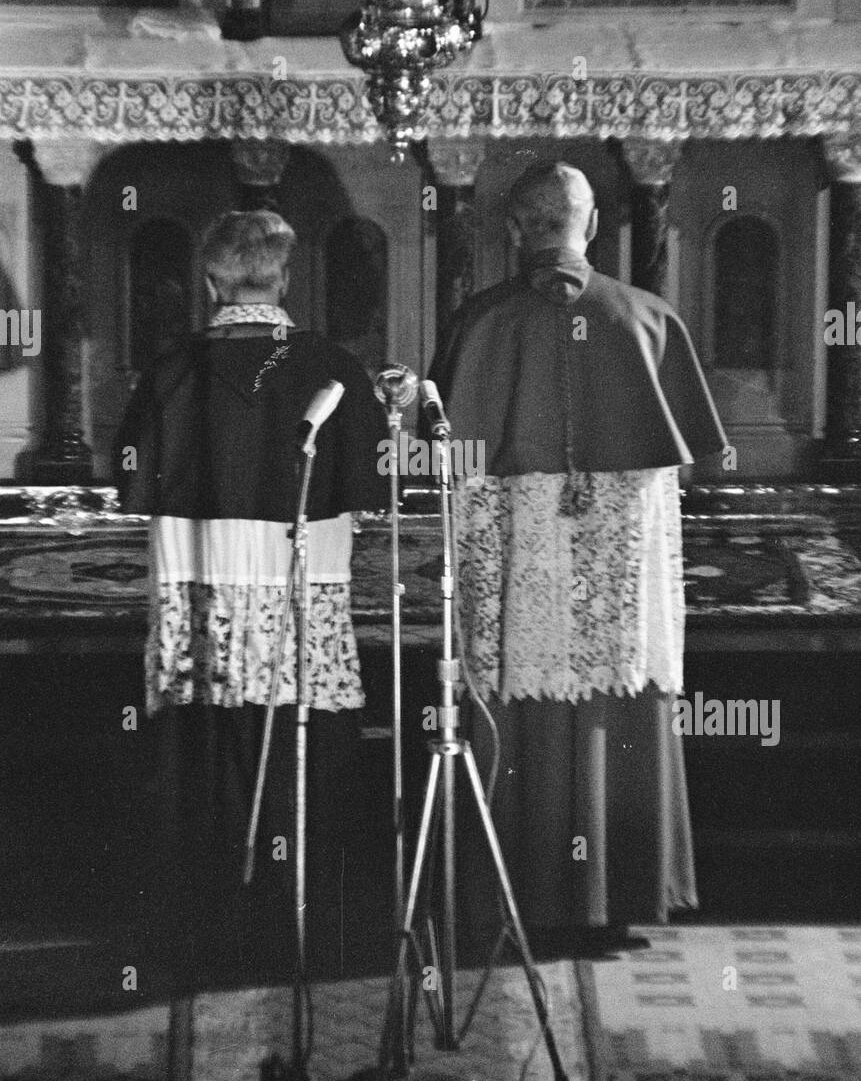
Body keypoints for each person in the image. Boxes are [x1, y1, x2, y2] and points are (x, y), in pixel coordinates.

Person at [429, 162, 728, 956]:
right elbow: (689, 462)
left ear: (514, 230)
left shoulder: (478, 322)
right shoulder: (648, 317)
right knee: (618, 685)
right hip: (617, 559)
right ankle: (621, 891)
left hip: (517, 551)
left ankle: (513, 889)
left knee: (517, 687)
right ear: (590, 226)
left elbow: (444, 457)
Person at [114, 210, 388, 987]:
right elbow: (366, 494)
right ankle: (300, 916)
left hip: (201, 601)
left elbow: (132, 485)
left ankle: (205, 919)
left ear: (209, 283)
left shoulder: (169, 371)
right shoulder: (332, 366)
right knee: (302, 741)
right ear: (286, 278)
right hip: (300, 599)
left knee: (205, 744)